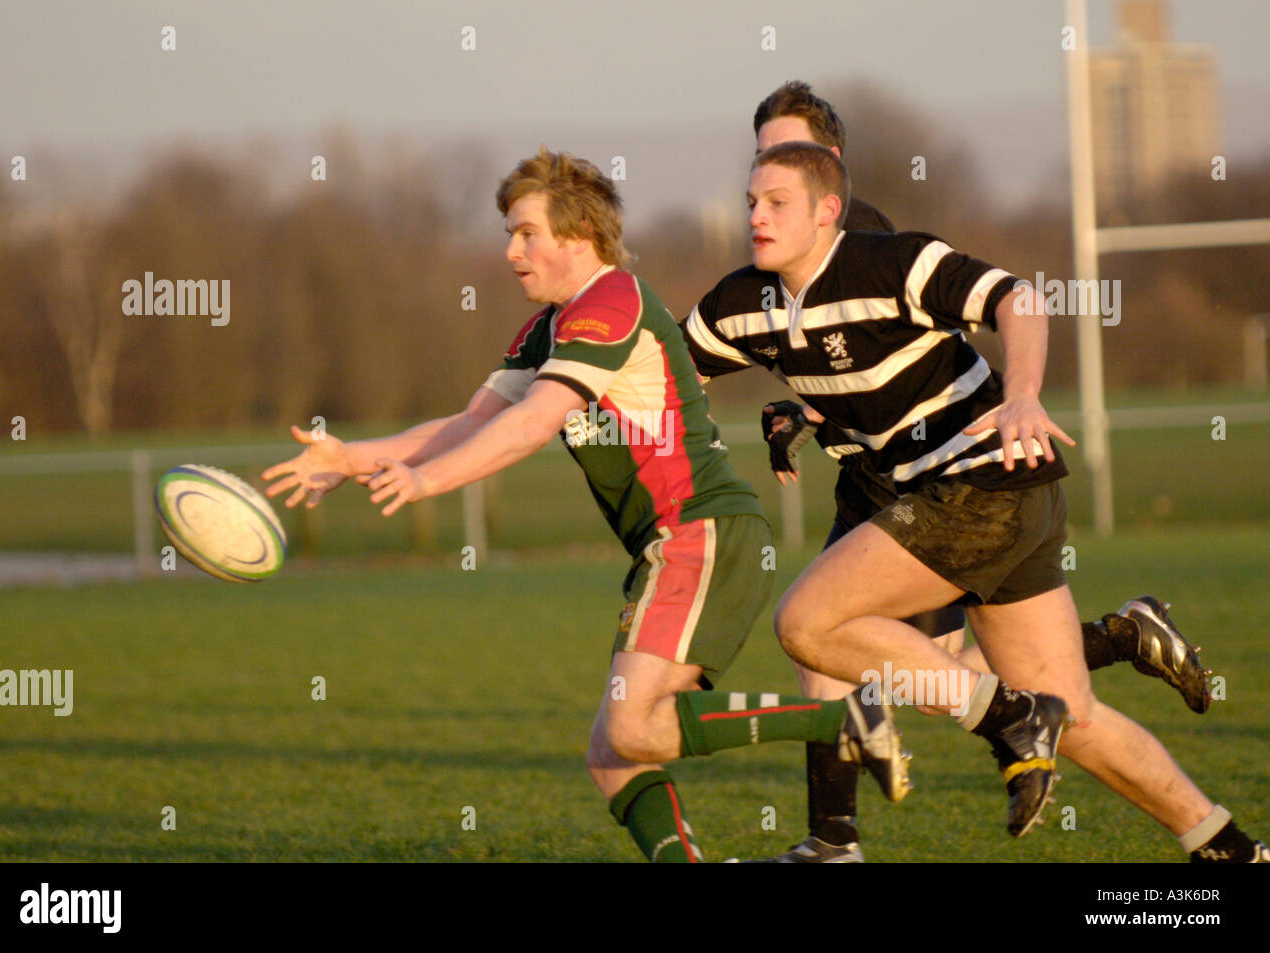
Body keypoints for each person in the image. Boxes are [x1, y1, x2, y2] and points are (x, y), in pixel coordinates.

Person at [262, 147, 899, 863]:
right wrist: (352, 457)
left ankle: (840, 716)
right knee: (613, 754)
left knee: (632, 729)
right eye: (509, 233)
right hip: (674, 544)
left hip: (700, 532)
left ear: (577, 236)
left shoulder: (610, 302)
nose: (510, 252)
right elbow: (472, 422)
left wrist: (426, 482)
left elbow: (534, 424)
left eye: (525, 232)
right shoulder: (551, 328)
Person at [681, 138, 1264, 861]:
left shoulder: (894, 262)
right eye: (750, 203)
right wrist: (568, 364)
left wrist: (1022, 395)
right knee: (1074, 714)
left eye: (776, 202)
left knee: (807, 623)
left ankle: (1010, 720)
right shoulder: (740, 304)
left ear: (828, 211)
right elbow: (663, 374)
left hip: (983, 480)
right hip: (1005, 496)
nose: (756, 218)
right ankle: (1226, 845)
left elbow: (1019, 297)